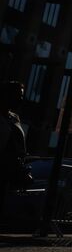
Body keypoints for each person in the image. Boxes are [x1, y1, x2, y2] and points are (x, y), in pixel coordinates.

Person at [1, 82, 30, 221]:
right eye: (18, 95)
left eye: (21, 96)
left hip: (9, 168)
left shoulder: (14, 117)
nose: (20, 99)